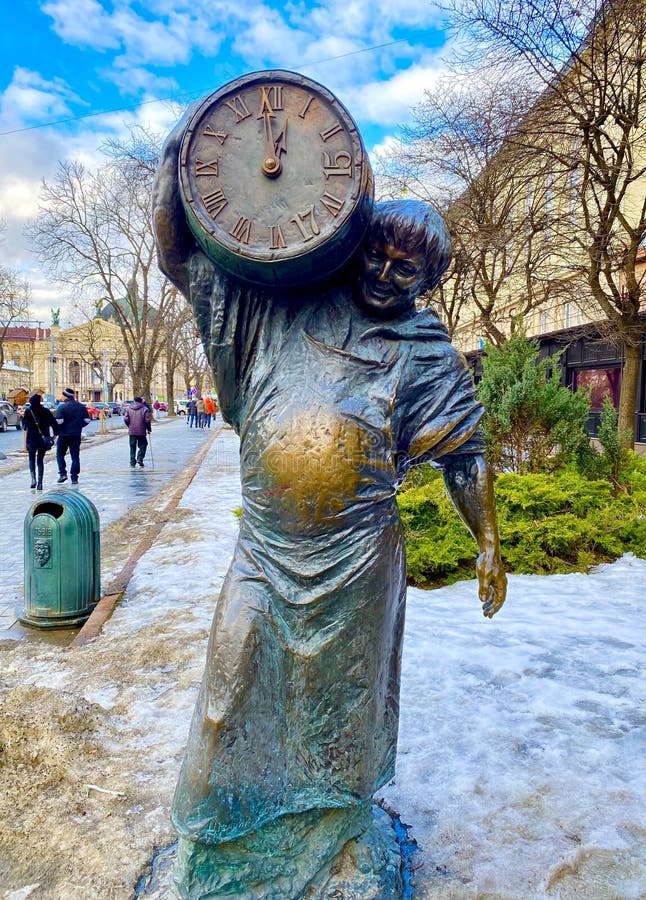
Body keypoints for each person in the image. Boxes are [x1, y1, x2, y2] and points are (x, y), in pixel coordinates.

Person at [154, 121, 507, 898]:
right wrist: (185, 157)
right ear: (354, 246)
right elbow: (183, 257)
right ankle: (218, 849)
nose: (385, 273)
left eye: (406, 269)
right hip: (267, 551)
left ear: (426, 283)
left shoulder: (423, 350)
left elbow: (465, 454)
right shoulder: (276, 311)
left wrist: (486, 540)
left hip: (357, 562)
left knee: (340, 714)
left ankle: (337, 843)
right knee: (231, 690)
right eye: (377, 253)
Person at [55, 388, 90, 485]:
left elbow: (59, 421)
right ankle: (74, 477)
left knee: (60, 454)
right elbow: (87, 420)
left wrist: (58, 429)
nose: (61, 397)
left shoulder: (62, 407)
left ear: (66, 396)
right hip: (76, 434)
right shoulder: (81, 407)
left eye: (62, 395)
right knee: (75, 456)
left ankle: (62, 473)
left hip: (64, 435)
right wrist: (78, 426)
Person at [23, 393, 57, 491]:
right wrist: (55, 434)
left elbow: (24, 425)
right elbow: (54, 423)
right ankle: (40, 483)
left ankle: (33, 479)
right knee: (40, 461)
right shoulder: (46, 411)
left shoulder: (28, 411)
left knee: (31, 459)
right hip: (43, 440)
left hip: (32, 439)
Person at [124, 396, 152, 467]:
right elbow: (147, 420)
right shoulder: (144, 409)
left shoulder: (129, 408)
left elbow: (126, 419)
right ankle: (140, 458)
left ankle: (132, 462)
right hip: (141, 431)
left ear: (134, 401)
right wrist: (148, 429)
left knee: (132, 446)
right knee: (143, 445)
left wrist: (129, 426)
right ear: (141, 401)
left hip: (132, 430)